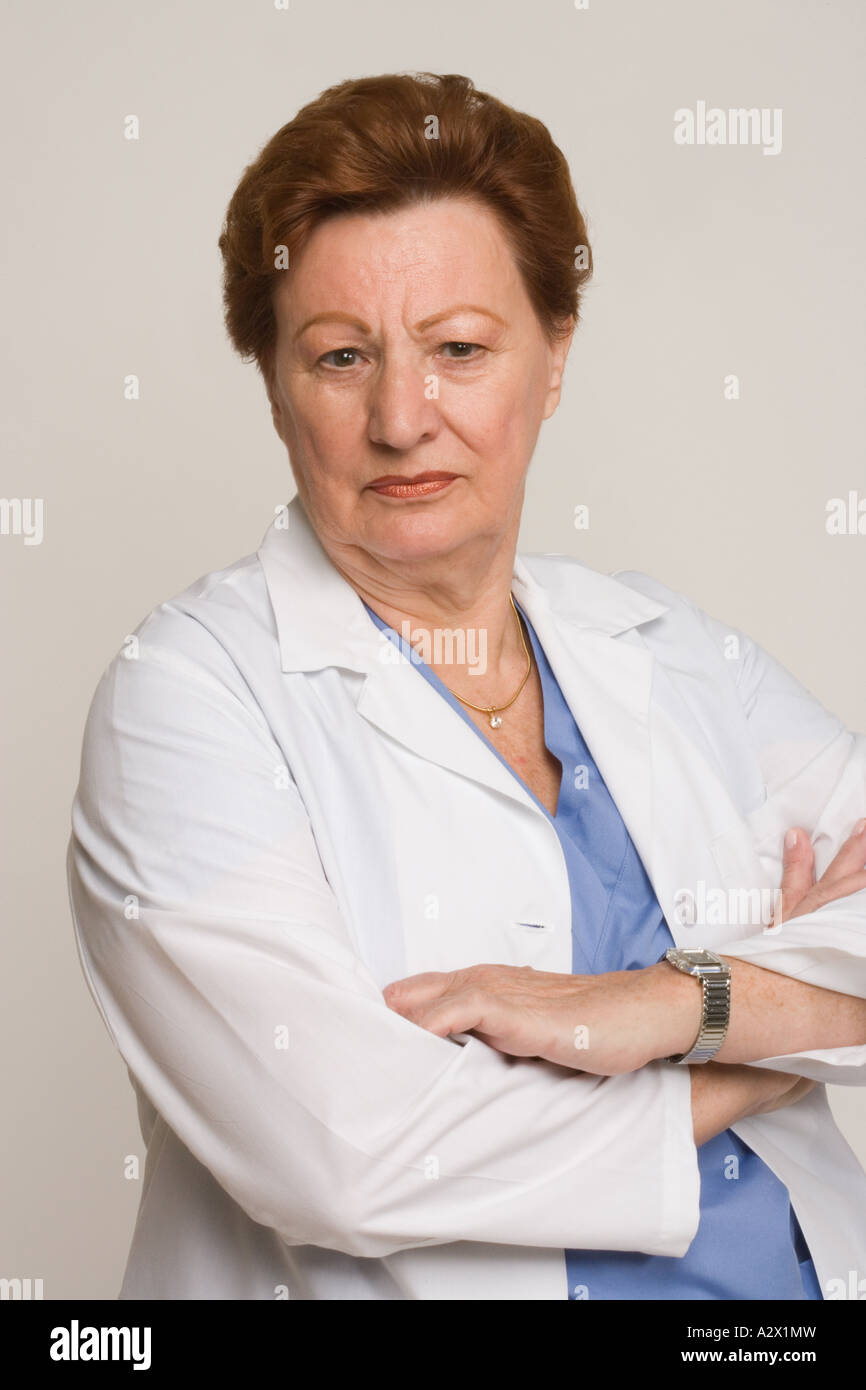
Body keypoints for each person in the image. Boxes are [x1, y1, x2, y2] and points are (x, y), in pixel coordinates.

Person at [67, 71, 866, 1301]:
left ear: (551, 359)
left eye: (457, 348)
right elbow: (348, 1157)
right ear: (274, 385)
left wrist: (667, 1002)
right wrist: (781, 1040)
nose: (402, 417)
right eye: (340, 356)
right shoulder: (185, 698)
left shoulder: (668, 651)